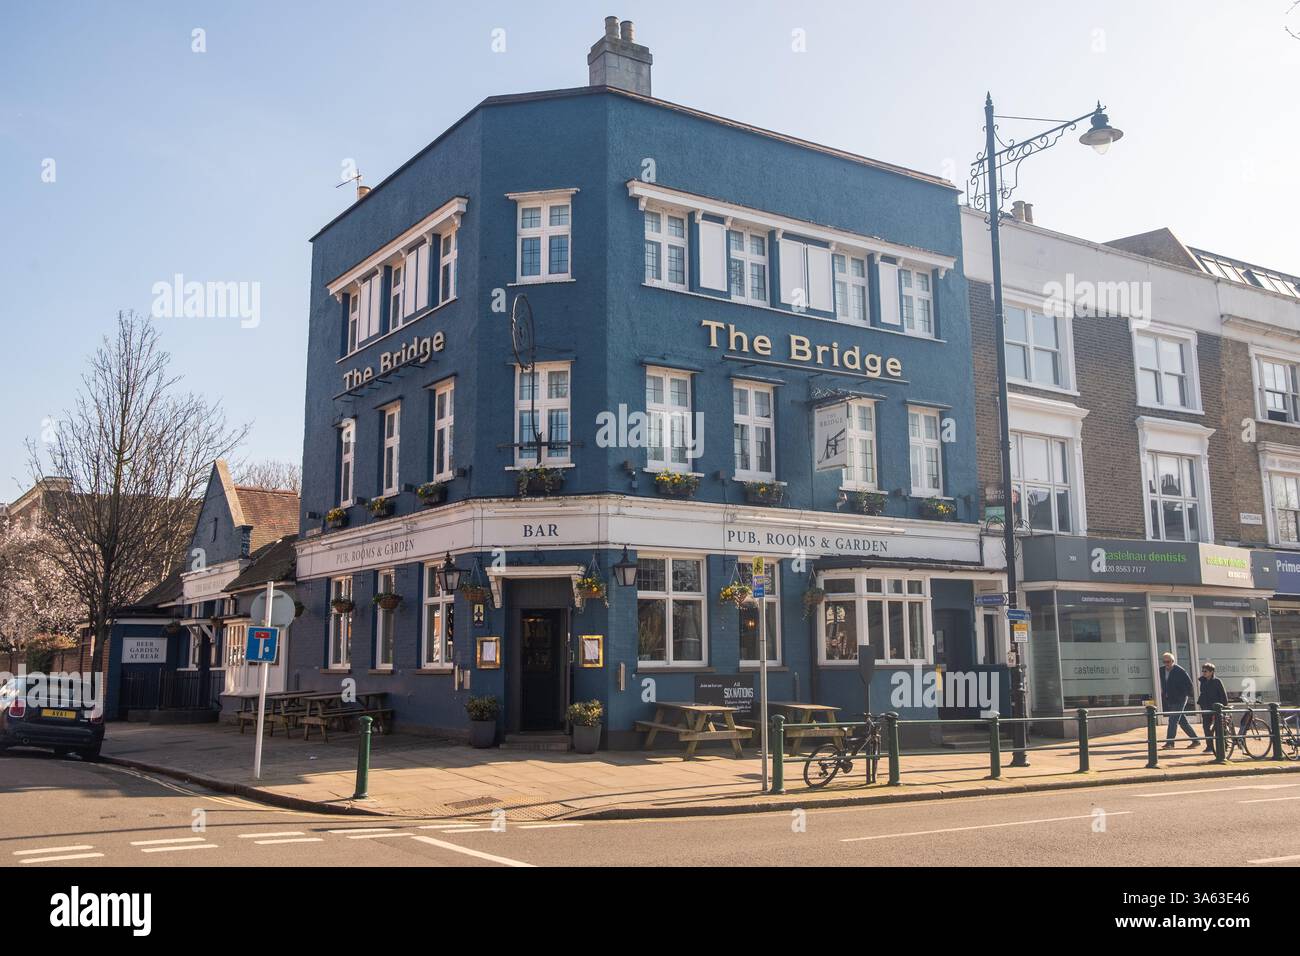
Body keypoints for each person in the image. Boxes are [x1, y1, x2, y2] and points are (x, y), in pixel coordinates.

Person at [1159, 652, 1200, 749]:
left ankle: (1170, 743)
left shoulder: (1180, 671)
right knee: (1182, 722)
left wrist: (1184, 695)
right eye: (1164, 662)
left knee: (1172, 720)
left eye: (1168, 662)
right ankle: (1196, 740)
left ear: (1173, 661)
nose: (1166, 664)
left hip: (1180, 699)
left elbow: (1189, 685)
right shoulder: (1161, 670)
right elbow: (1164, 683)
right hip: (1170, 699)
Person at [1197, 662, 1229, 753]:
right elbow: (1203, 694)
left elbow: (1223, 695)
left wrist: (1223, 708)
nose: (1203, 673)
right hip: (1206, 707)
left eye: (1205, 671)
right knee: (1206, 727)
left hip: (1217, 708)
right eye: (1203, 671)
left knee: (1220, 727)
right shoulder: (1202, 681)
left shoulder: (1217, 681)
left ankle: (1224, 745)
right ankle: (1209, 747)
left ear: (1211, 672)